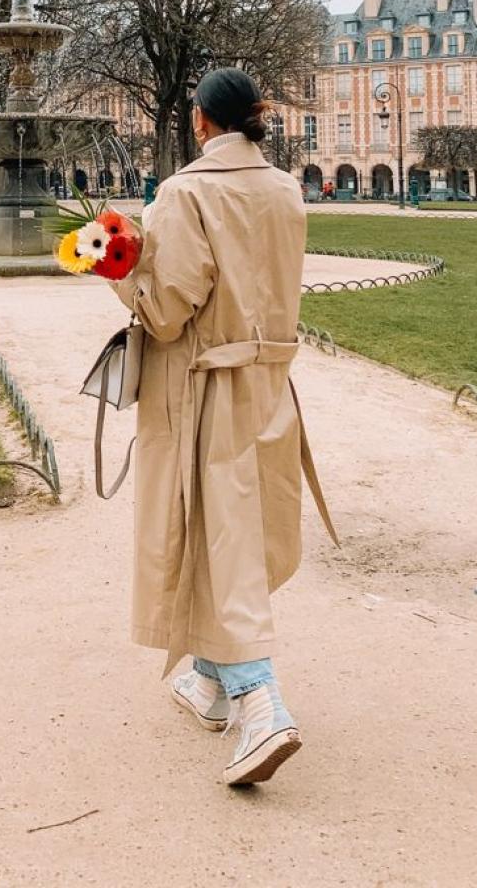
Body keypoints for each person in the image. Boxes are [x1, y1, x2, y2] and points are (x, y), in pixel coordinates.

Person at [113, 67, 336, 788]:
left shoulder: (186, 193)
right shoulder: (286, 189)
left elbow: (169, 307)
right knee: (238, 530)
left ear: (202, 122)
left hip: (203, 386)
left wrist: (115, 264)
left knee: (213, 526)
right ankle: (207, 678)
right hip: (269, 380)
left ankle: (259, 700)